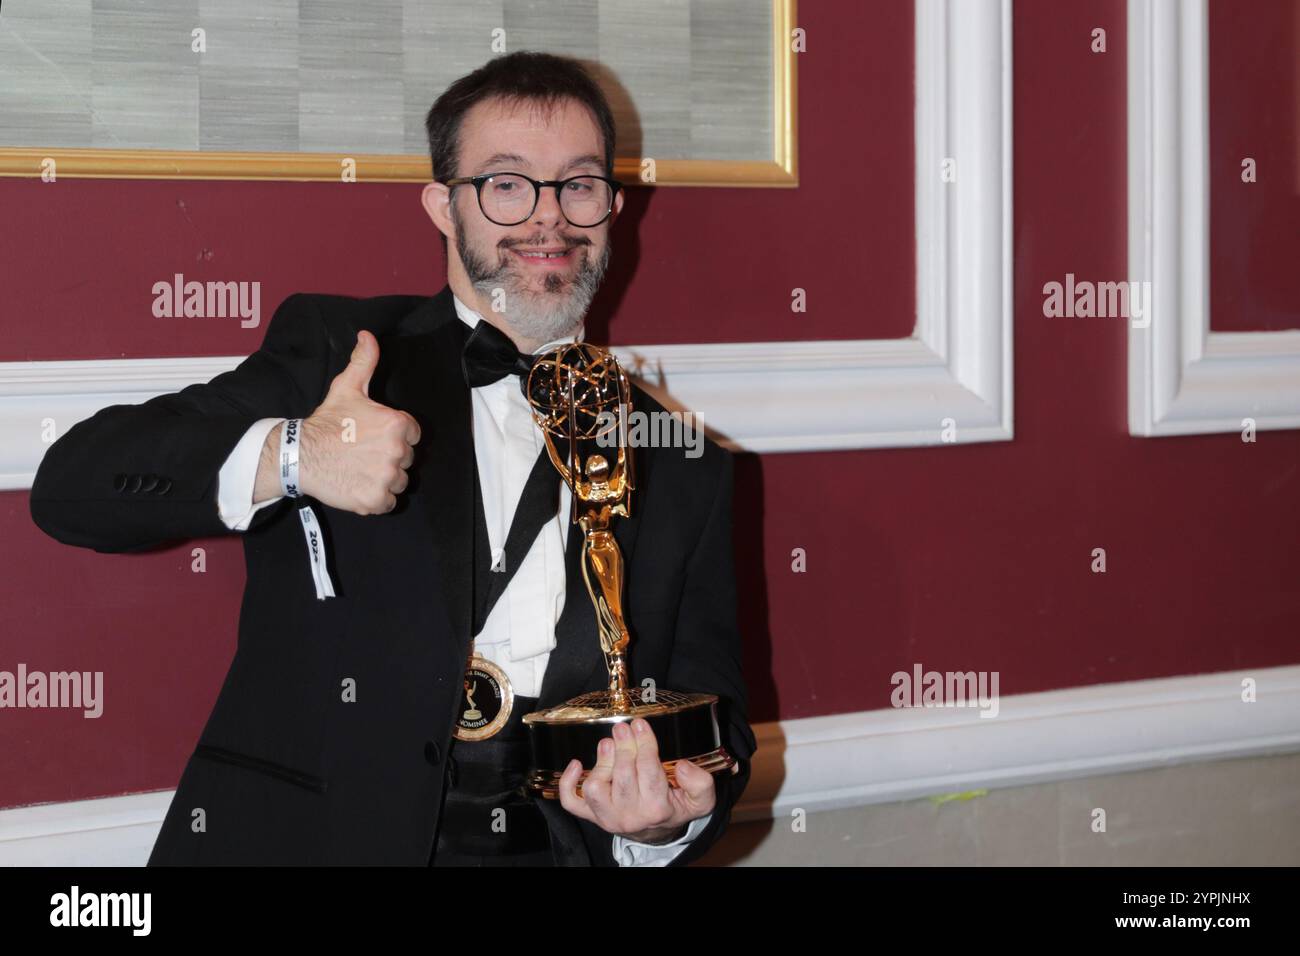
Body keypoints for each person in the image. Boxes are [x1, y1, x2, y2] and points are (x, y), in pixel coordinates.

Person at [29, 50, 755, 866]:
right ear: (443, 207)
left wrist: (664, 823)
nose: (548, 217)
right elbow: (74, 488)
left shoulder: (684, 459)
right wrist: (295, 455)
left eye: (578, 184)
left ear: (612, 207)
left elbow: (714, 720)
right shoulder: (338, 356)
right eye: (506, 183)